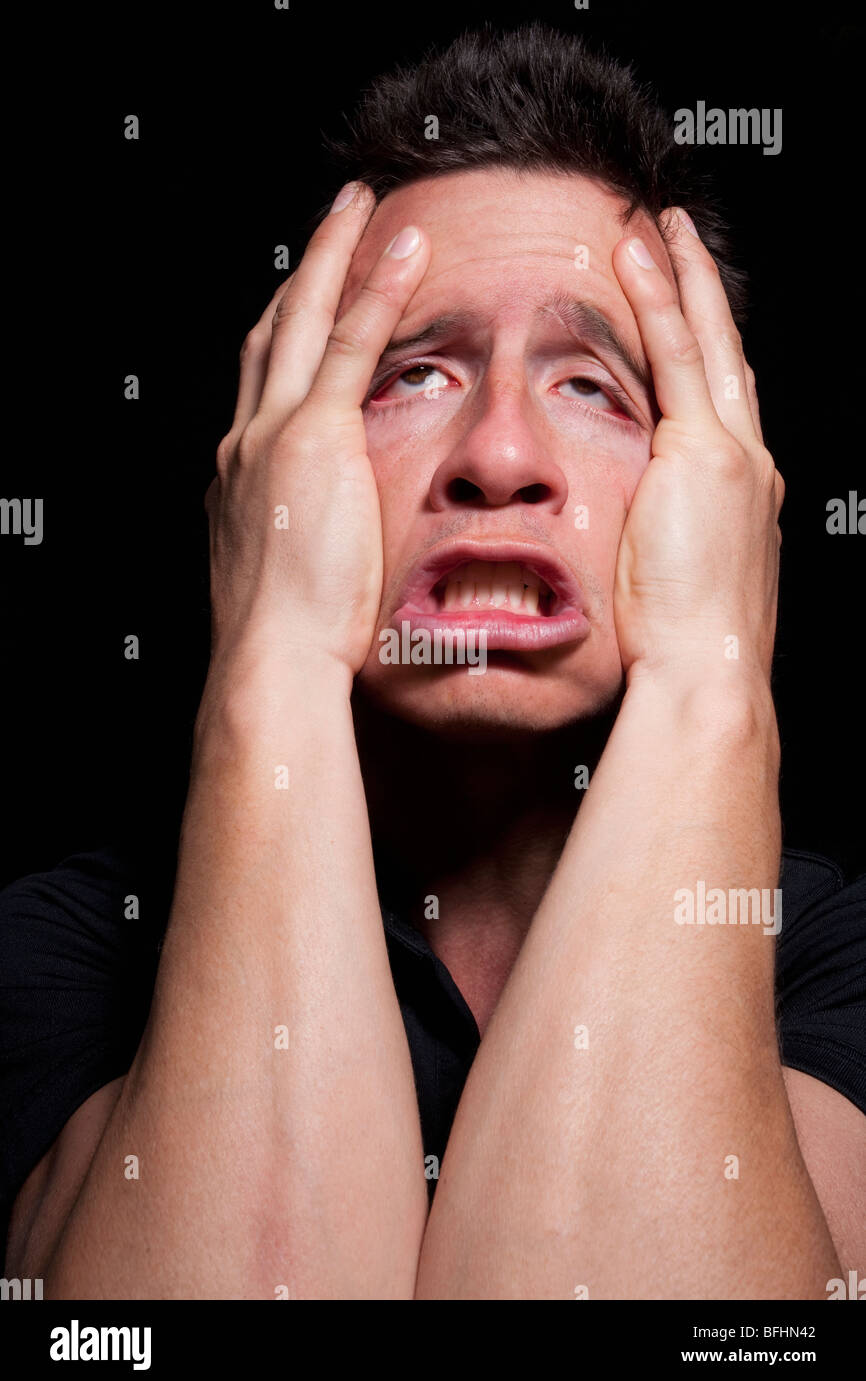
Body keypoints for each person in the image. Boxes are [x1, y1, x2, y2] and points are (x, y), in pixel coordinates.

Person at [2, 23, 864, 1300]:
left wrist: (708, 678)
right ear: (281, 450)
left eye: (591, 385)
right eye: (411, 374)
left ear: (714, 474)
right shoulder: (62, 947)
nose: (499, 453)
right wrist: (274, 656)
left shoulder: (832, 952)